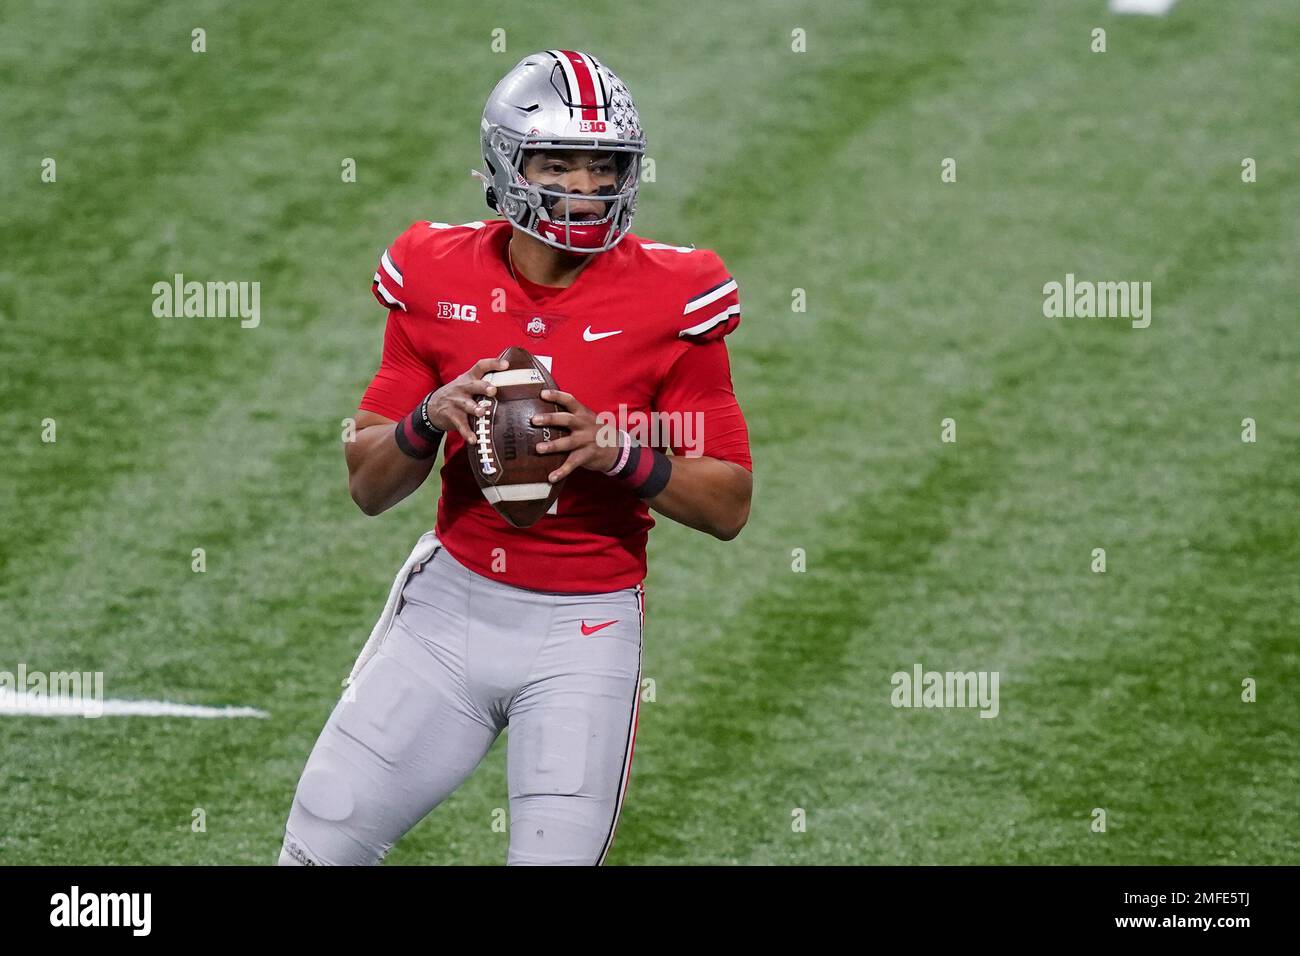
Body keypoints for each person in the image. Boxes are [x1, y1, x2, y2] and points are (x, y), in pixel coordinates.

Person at [278, 50, 752, 866]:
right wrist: (431, 416)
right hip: (448, 614)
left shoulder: (677, 293)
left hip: (586, 627)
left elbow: (728, 505)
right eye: (559, 162)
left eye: (605, 167)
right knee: (321, 840)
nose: (587, 187)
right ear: (506, 163)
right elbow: (367, 482)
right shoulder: (432, 270)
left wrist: (618, 452)